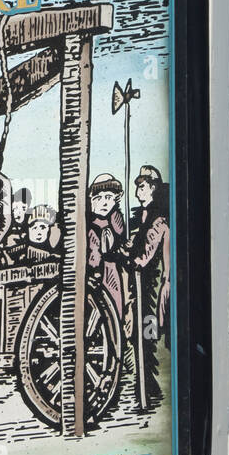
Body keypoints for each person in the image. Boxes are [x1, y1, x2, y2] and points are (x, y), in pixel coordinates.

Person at [126, 164, 171, 410]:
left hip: (151, 288)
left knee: (147, 335)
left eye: (142, 187)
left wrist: (126, 256)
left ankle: (149, 390)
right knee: (141, 336)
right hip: (141, 286)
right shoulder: (142, 217)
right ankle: (146, 388)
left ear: (153, 188)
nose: (138, 193)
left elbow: (144, 256)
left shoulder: (158, 220)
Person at [86, 173, 126, 320]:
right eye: (98, 198)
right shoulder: (90, 228)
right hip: (95, 275)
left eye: (108, 198)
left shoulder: (116, 224)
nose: (104, 203)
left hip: (112, 272)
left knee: (115, 308)